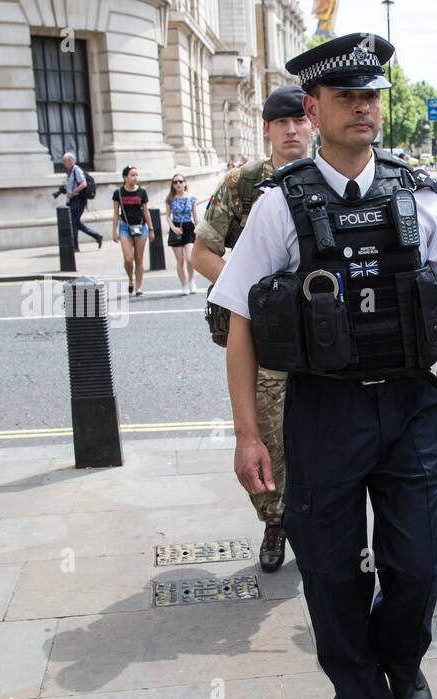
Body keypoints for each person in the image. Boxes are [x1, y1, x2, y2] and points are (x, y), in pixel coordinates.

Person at [207, 33, 437, 699]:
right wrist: (246, 434)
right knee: (331, 574)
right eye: (347, 97)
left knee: (422, 561)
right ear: (314, 107)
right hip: (323, 413)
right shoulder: (278, 204)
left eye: (372, 95)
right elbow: (237, 319)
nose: (364, 108)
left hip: (408, 408)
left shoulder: (422, 194)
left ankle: (402, 663)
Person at [191, 86, 314, 574]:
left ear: (312, 123)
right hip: (263, 343)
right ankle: (274, 524)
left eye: (298, 121)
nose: (290, 130)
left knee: (320, 436)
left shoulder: (325, 178)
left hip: (324, 342)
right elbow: (202, 253)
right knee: (268, 436)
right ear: (266, 130)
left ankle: (317, 525)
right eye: (279, 123)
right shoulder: (242, 185)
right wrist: (258, 297)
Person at [111, 166, 152, 295]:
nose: (135, 178)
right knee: (128, 258)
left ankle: (138, 287)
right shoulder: (118, 193)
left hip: (140, 226)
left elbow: (146, 211)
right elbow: (116, 214)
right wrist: (114, 231)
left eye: (136, 175)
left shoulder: (142, 192)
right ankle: (130, 279)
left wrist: (151, 228)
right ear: (125, 177)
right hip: (125, 226)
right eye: (132, 175)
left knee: (139, 258)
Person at [53, 152, 101, 251]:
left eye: (65, 161)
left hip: (78, 200)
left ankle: (75, 246)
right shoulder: (70, 172)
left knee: (74, 222)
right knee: (75, 222)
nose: (63, 163)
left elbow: (83, 184)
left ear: (71, 161)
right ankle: (96, 236)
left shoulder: (76, 170)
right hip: (72, 200)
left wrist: (73, 192)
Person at [165, 174, 199, 294]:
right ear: (173, 185)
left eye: (180, 181)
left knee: (190, 259)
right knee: (180, 260)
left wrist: (199, 228)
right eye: (175, 182)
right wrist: (173, 228)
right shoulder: (170, 198)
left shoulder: (191, 198)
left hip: (189, 227)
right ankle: (184, 285)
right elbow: (168, 215)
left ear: (184, 183)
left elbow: (195, 215)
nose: (178, 184)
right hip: (176, 227)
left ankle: (191, 280)